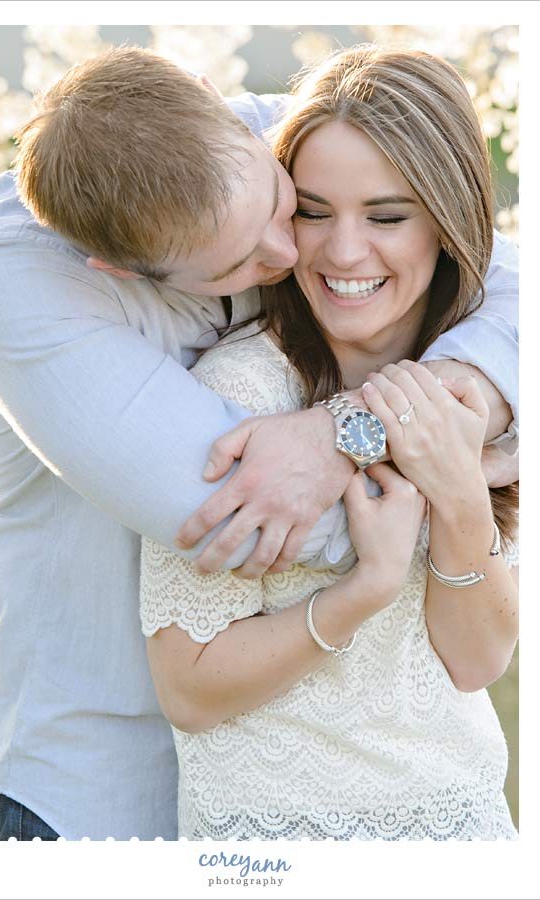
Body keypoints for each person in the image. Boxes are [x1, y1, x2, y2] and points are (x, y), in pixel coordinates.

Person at [0, 47, 518, 841]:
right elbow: (256, 508)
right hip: (89, 791)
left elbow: (496, 265)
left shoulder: (288, 137)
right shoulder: (10, 287)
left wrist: (373, 426)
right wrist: (452, 459)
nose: (295, 255)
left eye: (280, 205)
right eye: (238, 263)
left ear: (215, 99)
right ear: (120, 269)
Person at [139, 45, 519, 841]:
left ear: (448, 222)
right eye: (313, 212)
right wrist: (364, 590)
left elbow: (477, 663)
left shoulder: (486, 393)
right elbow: (190, 690)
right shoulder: (236, 396)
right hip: (275, 844)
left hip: (460, 833)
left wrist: (458, 496)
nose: (343, 253)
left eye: (386, 217)